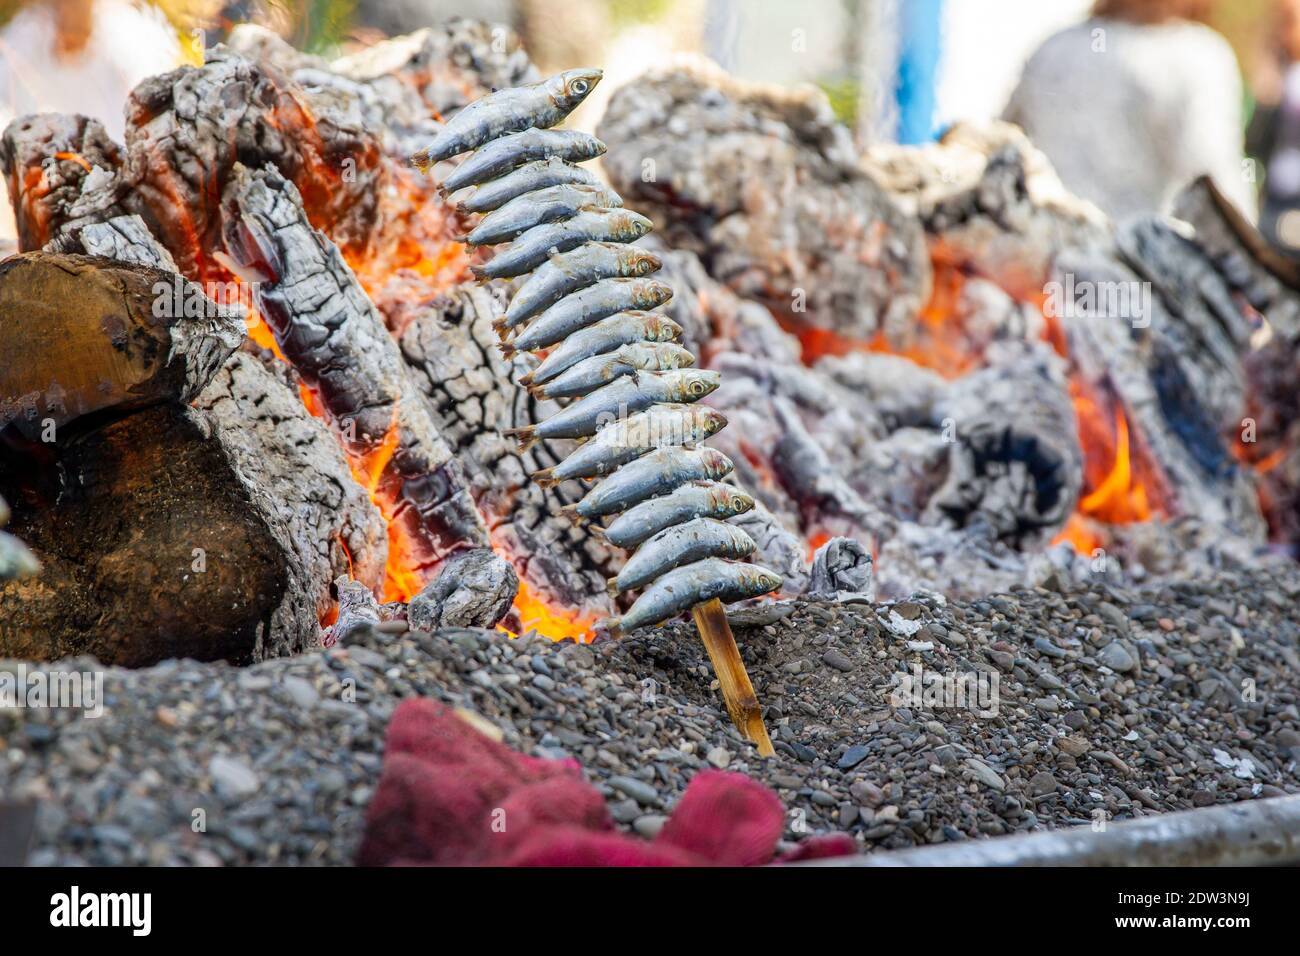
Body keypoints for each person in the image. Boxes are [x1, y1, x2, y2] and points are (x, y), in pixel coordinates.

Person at [1004, 0, 1255, 221]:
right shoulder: (1198, 56)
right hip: (1142, 261)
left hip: (1048, 256)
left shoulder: (1053, 49)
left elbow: (1003, 146)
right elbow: (1215, 178)